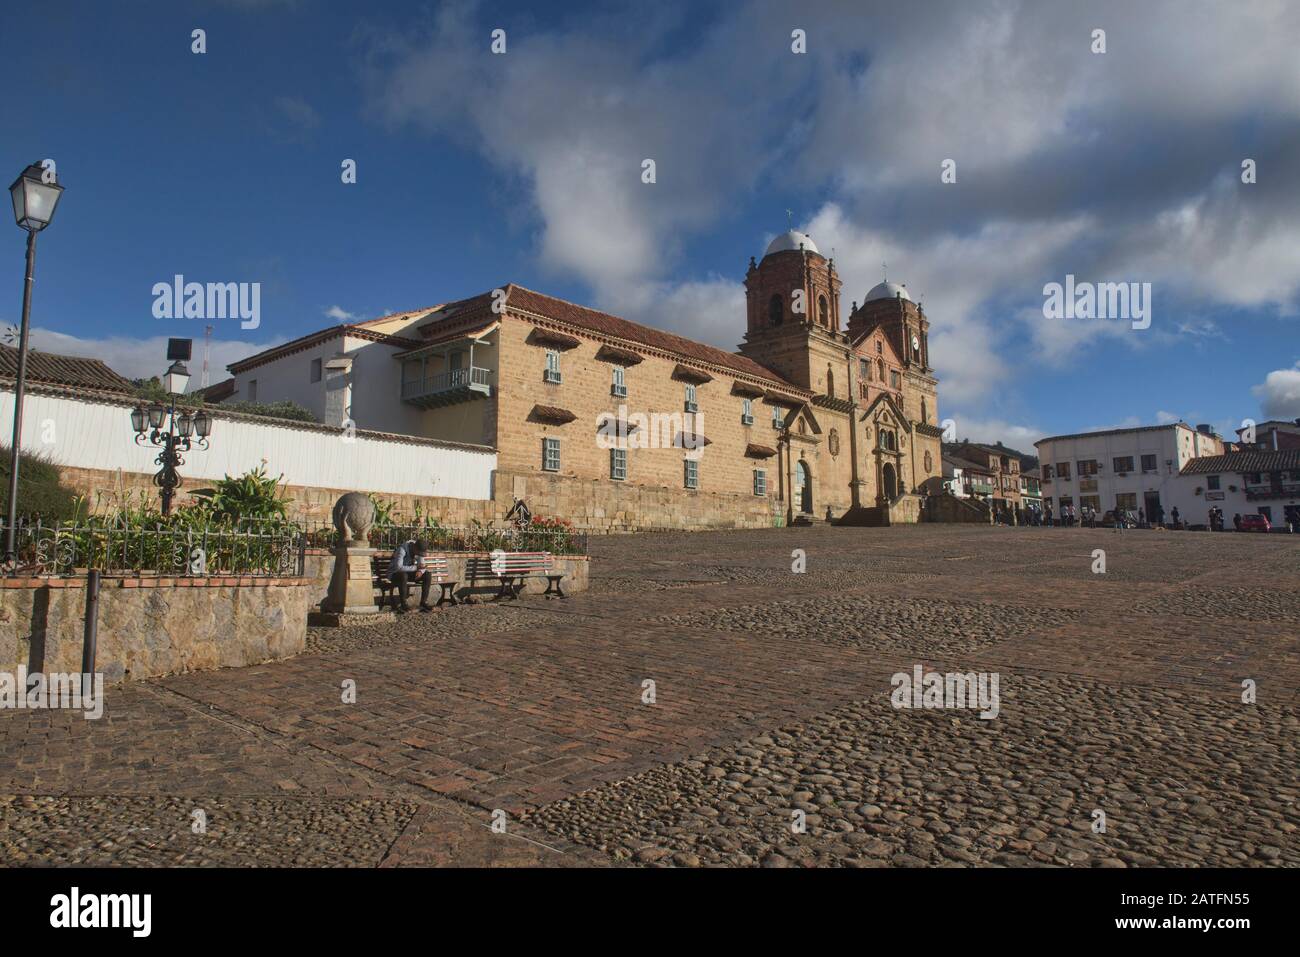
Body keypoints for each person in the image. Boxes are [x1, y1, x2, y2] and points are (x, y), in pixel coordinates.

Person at [389, 539, 433, 612]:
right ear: (415, 548)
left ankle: (423, 602)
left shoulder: (419, 550)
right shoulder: (402, 550)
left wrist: (420, 571)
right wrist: (416, 568)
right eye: (419, 553)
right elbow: (398, 568)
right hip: (394, 574)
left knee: (427, 575)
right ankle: (404, 604)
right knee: (403, 575)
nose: (420, 554)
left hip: (407, 573)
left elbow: (422, 565)